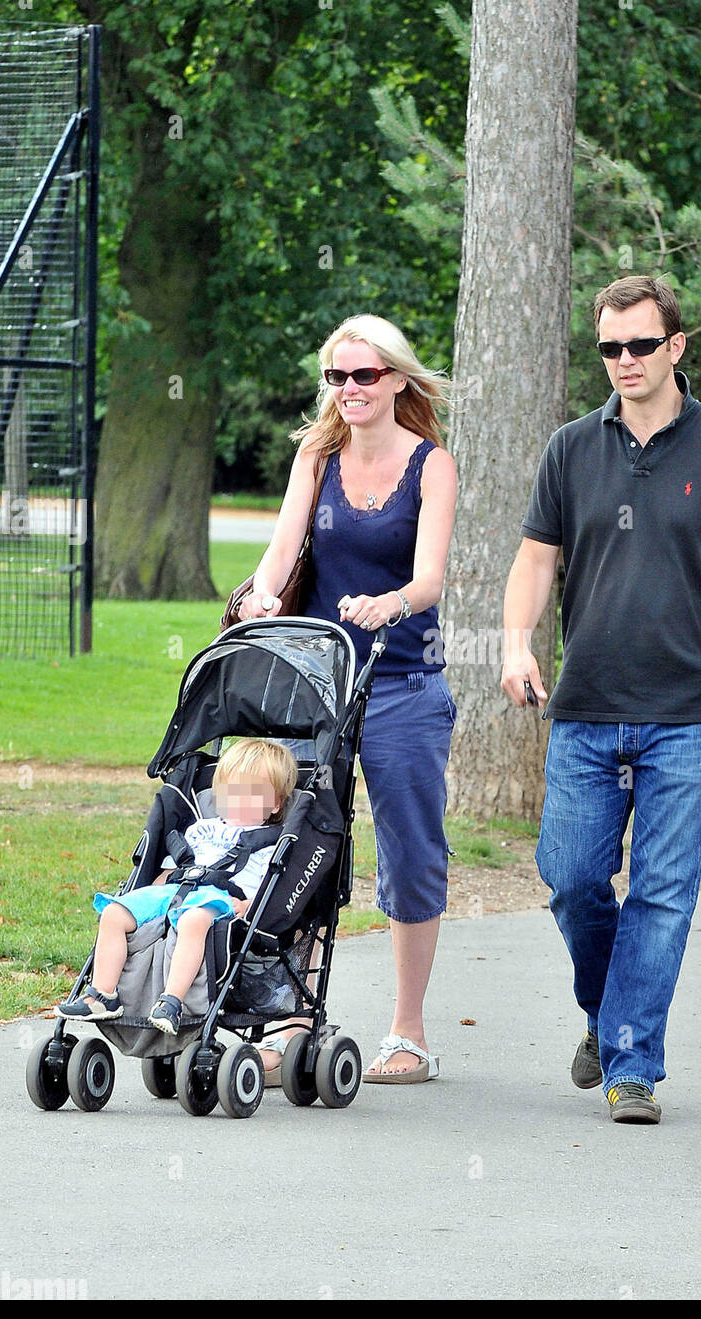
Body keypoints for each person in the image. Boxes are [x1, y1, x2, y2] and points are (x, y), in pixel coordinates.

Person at [500, 273, 701, 1125]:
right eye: (609, 348)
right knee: (571, 878)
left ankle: (632, 1064)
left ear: (676, 346)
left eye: (639, 345)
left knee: (664, 893)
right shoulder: (569, 449)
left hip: (688, 714)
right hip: (585, 706)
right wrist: (516, 641)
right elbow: (535, 562)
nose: (623, 361)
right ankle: (608, 1010)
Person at [239, 315, 458, 1083]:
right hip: (320, 683)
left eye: (364, 375)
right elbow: (283, 548)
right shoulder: (317, 454)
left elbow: (430, 576)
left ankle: (408, 1033)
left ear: (397, 378)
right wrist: (263, 597)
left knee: (410, 852)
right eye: (337, 377)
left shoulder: (431, 465)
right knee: (302, 842)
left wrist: (394, 602)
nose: (350, 390)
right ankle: (291, 1014)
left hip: (403, 683)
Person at [60, 738, 298, 1034]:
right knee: (114, 912)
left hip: (220, 897)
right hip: (176, 888)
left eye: (253, 792)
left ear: (275, 803)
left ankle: (171, 1001)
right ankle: (102, 994)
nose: (240, 798)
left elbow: (271, 889)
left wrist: (249, 906)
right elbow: (171, 869)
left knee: (193, 920)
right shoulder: (201, 828)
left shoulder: (270, 843)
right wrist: (151, 894)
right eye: (232, 790)